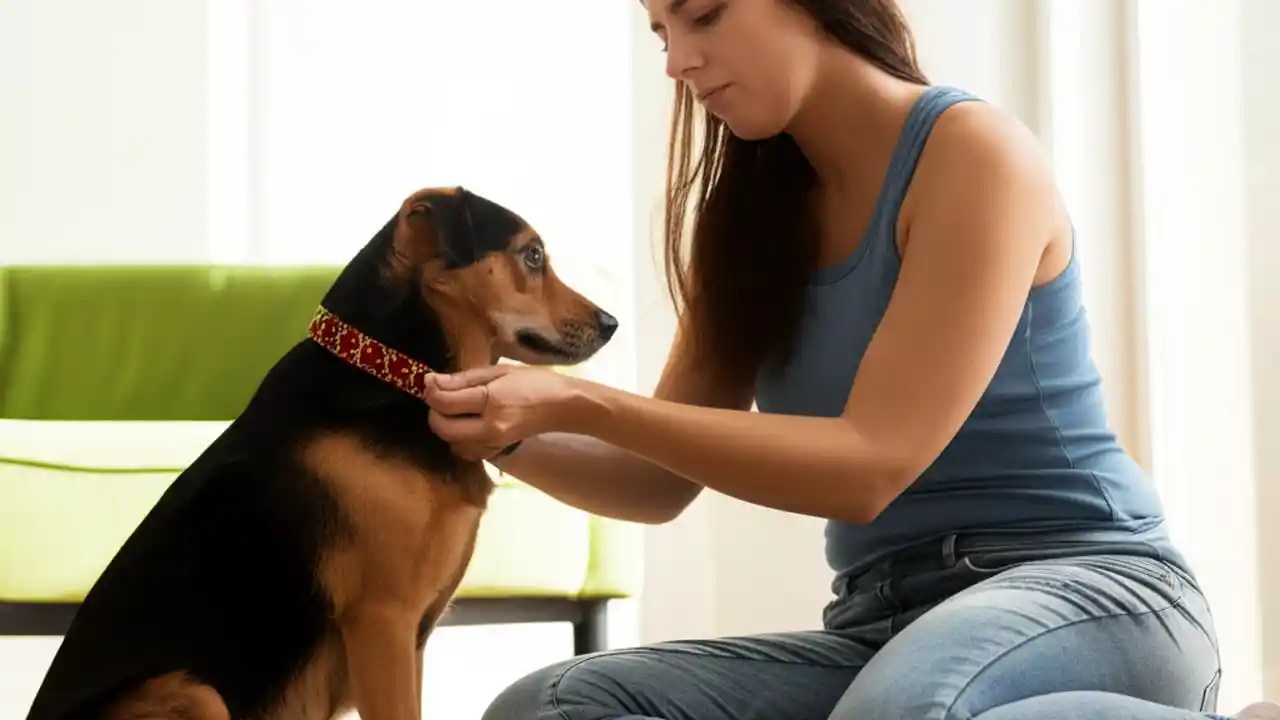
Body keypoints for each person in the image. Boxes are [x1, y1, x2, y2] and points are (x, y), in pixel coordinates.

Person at [420, 1, 1279, 718]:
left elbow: (872, 463)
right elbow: (654, 483)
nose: (678, 60)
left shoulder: (974, 154)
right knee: (550, 706)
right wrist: (495, 427)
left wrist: (578, 401)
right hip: (882, 623)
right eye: (660, 33)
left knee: (899, 708)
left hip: (1091, 592)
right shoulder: (747, 220)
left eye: (704, 16)